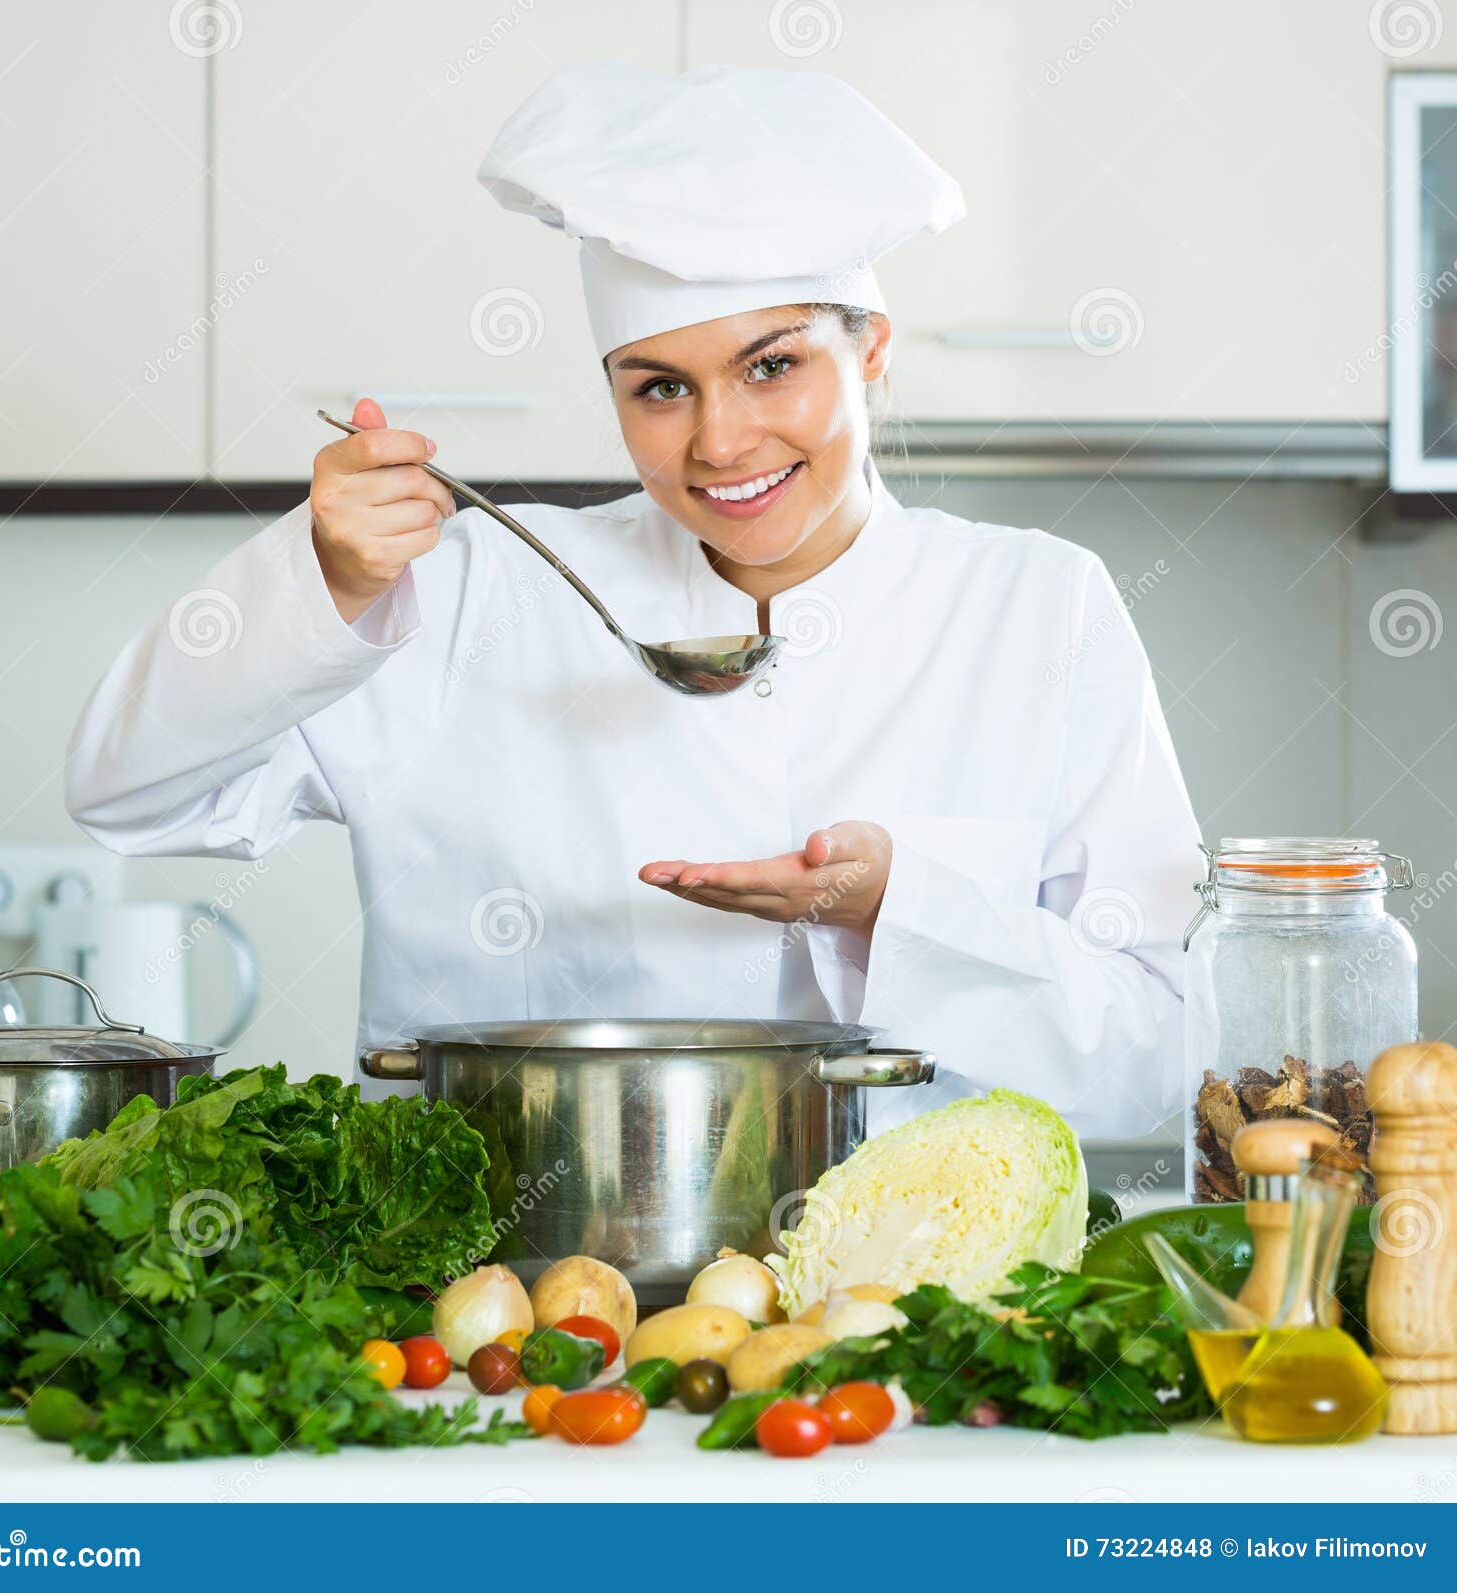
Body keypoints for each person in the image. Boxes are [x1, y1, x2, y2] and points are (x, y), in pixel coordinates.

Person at [67, 64, 1202, 1138]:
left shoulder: (1039, 608)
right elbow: (131, 796)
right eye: (660, 388)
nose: (719, 440)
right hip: (503, 1315)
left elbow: (1155, 1050)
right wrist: (327, 581)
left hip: (908, 1313)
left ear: (870, 354)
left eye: (771, 366)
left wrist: (892, 910)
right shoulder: (472, 592)